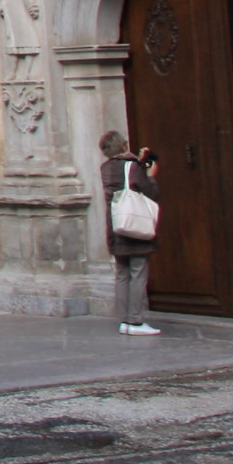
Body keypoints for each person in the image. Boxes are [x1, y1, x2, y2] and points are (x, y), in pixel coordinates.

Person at [100, 131, 162, 336]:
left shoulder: (107, 167)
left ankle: (124, 320)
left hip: (116, 224)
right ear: (123, 145)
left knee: (122, 274)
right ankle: (136, 321)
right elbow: (148, 191)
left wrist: (138, 160)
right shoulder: (131, 166)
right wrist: (151, 177)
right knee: (138, 272)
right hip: (134, 225)